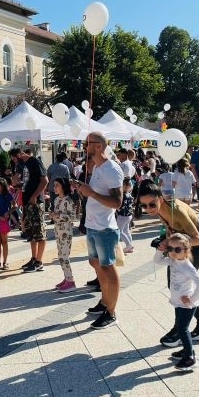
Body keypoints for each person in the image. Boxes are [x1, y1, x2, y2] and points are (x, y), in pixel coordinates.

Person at [138, 181, 199, 345]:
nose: (149, 209)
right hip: (180, 248)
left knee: (179, 287)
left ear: (160, 199)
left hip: (196, 249)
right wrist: (167, 241)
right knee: (173, 285)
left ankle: (179, 329)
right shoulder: (161, 210)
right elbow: (170, 229)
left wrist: (171, 244)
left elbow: (197, 239)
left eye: (152, 204)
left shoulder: (177, 210)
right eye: (144, 206)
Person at [76, 132, 123, 330]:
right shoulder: (96, 167)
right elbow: (95, 195)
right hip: (93, 225)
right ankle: (105, 301)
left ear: (98, 146)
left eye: (87, 143)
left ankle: (111, 312)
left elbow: (117, 203)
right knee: (95, 264)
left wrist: (92, 193)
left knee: (107, 268)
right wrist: (84, 190)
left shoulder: (112, 169)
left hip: (105, 228)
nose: (84, 145)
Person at [154, 233, 199, 371]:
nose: (173, 252)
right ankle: (186, 350)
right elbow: (157, 261)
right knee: (181, 328)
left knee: (182, 329)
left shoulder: (188, 267)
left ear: (186, 250)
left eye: (177, 250)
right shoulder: (172, 261)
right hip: (177, 302)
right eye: (170, 249)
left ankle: (190, 357)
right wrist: (160, 249)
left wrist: (191, 300)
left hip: (186, 306)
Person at [9, 147, 48, 273]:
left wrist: (34, 196)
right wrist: (17, 183)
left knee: (39, 233)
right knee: (31, 233)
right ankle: (34, 258)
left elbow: (44, 181)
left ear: (20, 154)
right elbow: (27, 184)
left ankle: (39, 262)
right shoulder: (24, 165)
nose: (15, 162)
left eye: (15, 159)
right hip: (27, 203)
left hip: (36, 203)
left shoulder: (34, 162)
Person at [50, 177, 76, 293]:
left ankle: (71, 281)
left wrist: (57, 215)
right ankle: (66, 278)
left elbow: (73, 217)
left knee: (64, 257)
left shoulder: (68, 201)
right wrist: (53, 215)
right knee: (60, 256)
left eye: (57, 185)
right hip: (58, 231)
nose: (54, 187)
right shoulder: (56, 200)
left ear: (63, 186)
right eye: (54, 185)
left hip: (66, 231)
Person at [116, 178, 135, 254]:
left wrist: (116, 208)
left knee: (119, 231)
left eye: (122, 184)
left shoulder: (123, 195)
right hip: (129, 215)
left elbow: (120, 205)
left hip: (122, 215)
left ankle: (129, 245)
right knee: (126, 231)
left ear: (125, 185)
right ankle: (130, 246)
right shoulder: (129, 194)